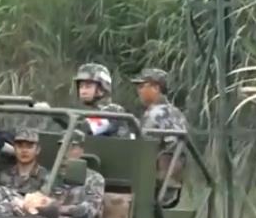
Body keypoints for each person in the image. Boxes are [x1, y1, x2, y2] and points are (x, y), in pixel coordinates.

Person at [131, 67, 189, 205]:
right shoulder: (173, 112)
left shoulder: (158, 113)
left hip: (156, 183)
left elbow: (169, 150)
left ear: (156, 88)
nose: (139, 91)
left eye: (142, 86)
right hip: (165, 182)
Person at [51, 130, 105, 218]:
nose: (65, 152)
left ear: (81, 150)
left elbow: (90, 210)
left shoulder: (94, 179)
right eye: (62, 147)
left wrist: (62, 209)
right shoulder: (50, 178)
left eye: (71, 147)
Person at [72, 62, 132, 138]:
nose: (83, 91)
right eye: (81, 87)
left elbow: (86, 129)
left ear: (102, 89)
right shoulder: (89, 112)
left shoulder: (113, 111)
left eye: (88, 86)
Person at [0, 127, 49, 194]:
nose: (24, 150)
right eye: (20, 146)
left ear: (37, 150)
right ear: (14, 149)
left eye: (29, 147)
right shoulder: (4, 175)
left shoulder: (45, 177)